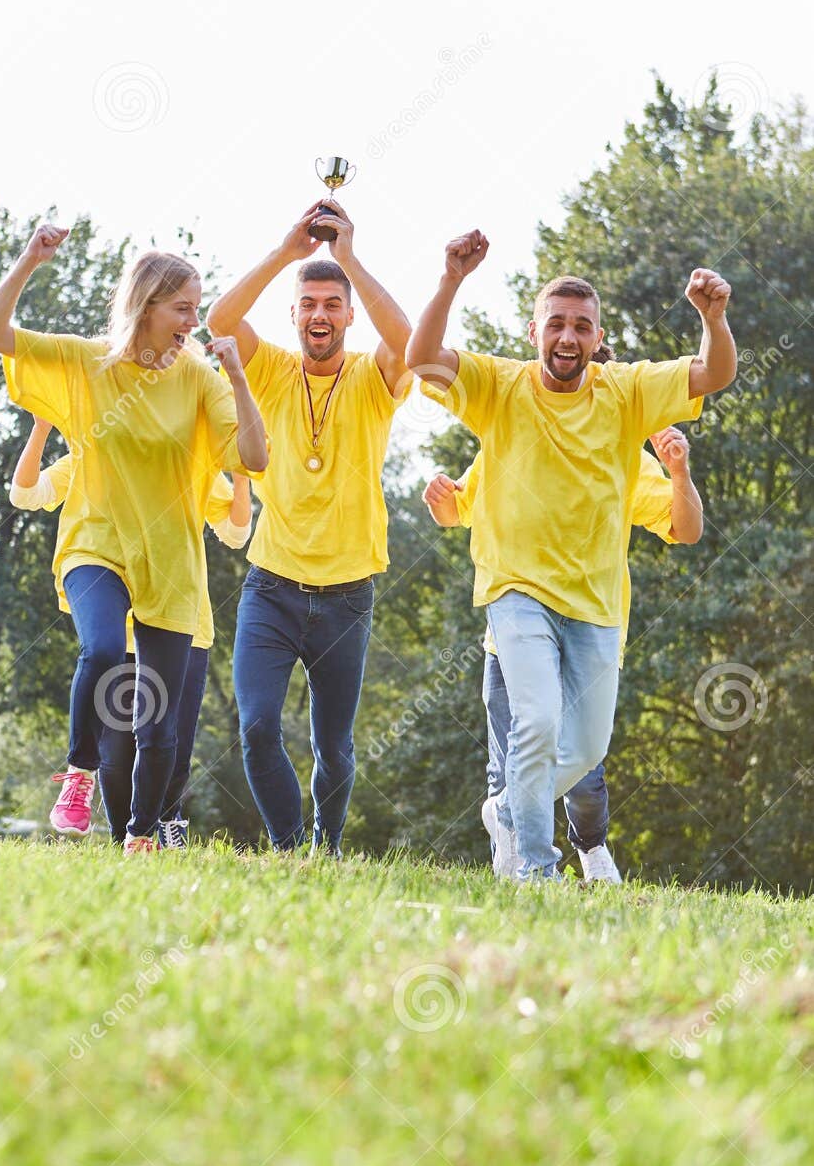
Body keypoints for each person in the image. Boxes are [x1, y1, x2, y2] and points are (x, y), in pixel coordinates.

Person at [407, 233, 735, 881]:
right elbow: (421, 360)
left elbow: (712, 374)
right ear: (532, 330)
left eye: (580, 327)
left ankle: (506, 809)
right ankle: (534, 868)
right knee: (535, 718)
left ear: (596, 336)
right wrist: (449, 279)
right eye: (554, 323)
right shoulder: (500, 387)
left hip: (595, 607)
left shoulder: (625, 393)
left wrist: (712, 319)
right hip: (515, 591)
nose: (566, 336)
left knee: (585, 749)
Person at [0, 227, 267, 855]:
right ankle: (78, 772)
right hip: (95, 545)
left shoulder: (198, 378)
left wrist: (238, 378)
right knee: (102, 648)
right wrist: (30, 260)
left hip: (169, 564)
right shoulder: (89, 361)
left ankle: (139, 838)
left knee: (157, 730)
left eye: (196, 307)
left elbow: (255, 456)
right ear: (147, 306)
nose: (194, 319)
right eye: (182, 307)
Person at [207, 201, 411, 855]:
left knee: (334, 744)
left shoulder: (375, 379)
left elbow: (407, 342)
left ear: (348, 314)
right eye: (308, 304)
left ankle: (327, 844)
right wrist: (283, 253)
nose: (319, 315)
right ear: (292, 314)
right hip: (271, 587)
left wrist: (348, 256)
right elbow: (219, 322)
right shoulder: (267, 369)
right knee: (257, 726)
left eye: (332, 304)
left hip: (348, 593)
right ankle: (291, 850)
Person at [423, 423, 704, 881]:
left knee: (581, 762)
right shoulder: (511, 433)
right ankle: (521, 867)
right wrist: (440, 502)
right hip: (512, 636)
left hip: (587, 626)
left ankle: (586, 846)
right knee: (515, 755)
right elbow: (459, 509)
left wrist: (679, 471)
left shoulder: (619, 451)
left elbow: (685, 527)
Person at [8, 415, 252, 843]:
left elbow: (234, 532)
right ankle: (132, 840)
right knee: (118, 759)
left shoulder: (190, 462)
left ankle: (167, 819)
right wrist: (42, 425)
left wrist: (240, 468)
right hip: (123, 631)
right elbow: (27, 493)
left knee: (170, 751)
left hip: (183, 622)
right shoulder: (100, 449)